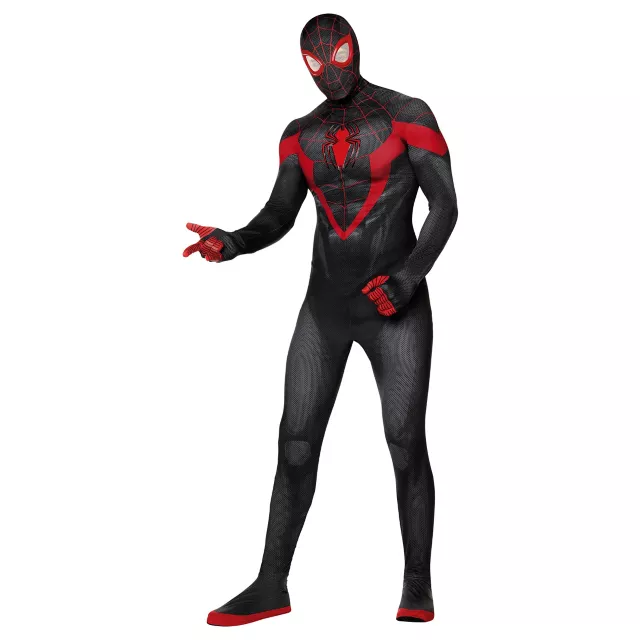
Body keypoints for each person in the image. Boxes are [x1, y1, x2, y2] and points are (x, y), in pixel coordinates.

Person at [184, 13, 458, 625]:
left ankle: (418, 585)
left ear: (355, 47)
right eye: (315, 62)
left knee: (405, 442)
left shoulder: (408, 113)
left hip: (395, 304)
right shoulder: (297, 135)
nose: (329, 71)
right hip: (325, 306)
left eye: (337, 54)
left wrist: (408, 279)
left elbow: (446, 205)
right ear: (303, 65)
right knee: (295, 443)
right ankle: (270, 585)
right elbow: (279, 213)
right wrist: (234, 241)